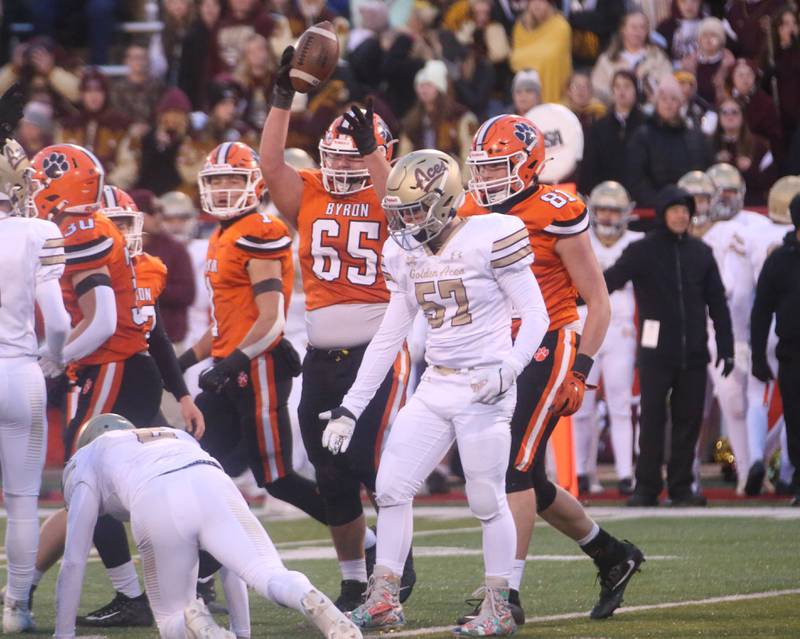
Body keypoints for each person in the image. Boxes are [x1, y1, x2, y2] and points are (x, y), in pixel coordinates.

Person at [326, 149, 549, 635]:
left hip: (484, 385)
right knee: (389, 488)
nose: (405, 221)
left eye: (414, 209)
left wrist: (509, 370)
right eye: (399, 211)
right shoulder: (403, 252)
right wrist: (350, 408)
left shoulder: (491, 235)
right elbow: (390, 335)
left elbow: (536, 314)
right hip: (435, 383)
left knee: (487, 499)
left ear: (445, 200)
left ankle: (498, 605)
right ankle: (384, 596)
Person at [458, 114, 643, 623]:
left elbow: (598, 302)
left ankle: (507, 598)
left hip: (548, 343)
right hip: (497, 348)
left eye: (499, 167)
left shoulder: (555, 209)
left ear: (530, 164)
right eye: (483, 168)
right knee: (531, 479)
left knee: (511, 467)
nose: (488, 179)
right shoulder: (471, 206)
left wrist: (580, 370)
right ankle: (612, 554)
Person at [260, 49, 413, 609]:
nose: (344, 169)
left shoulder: (388, 191)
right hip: (322, 355)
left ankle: (395, 570)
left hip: (377, 349)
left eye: (358, 160)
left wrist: (371, 153)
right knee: (329, 474)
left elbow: (400, 201)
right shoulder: (309, 191)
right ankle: (354, 577)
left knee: (369, 461)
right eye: (338, 159)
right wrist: (283, 99)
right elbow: (270, 164)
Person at [55, 414, 363, 639]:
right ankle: (307, 595)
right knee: (267, 572)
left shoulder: (89, 456)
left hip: (156, 494)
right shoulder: (173, 435)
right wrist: (242, 632)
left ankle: (195, 621)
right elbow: (231, 568)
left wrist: (63, 634)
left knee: (171, 619)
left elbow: (73, 559)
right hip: (213, 480)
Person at [29, 143, 164, 627]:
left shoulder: (80, 227)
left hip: (111, 364)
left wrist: (54, 357)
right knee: (98, 485)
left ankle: (139, 594)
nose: (32, 191)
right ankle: (146, 592)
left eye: (39, 183)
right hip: (114, 366)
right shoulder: (75, 225)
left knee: (86, 480)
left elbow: (103, 319)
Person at [604, 185, 734, 506]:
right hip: (654, 354)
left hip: (694, 353)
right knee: (651, 419)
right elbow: (609, 280)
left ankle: (680, 487)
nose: (681, 215)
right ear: (663, 213)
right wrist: (569, 293)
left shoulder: (701, 253)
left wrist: (726, 345)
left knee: (688, 420)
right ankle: (646, 488)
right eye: (675, 209)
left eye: (686, 210)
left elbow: (717, 303)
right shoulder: (642, 250)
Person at [0, 137, 70, 633]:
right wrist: (54, 358)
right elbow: (61, 322)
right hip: (19, 370)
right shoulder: (37, 230)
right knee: (23, 501)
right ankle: (16, 608)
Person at [572, 182, 642, 495]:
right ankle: (581, 471)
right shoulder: (579, 239)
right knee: (581, 404)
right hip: (585, 327)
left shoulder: (637, 242)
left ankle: (626, 473)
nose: (609, 216)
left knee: (621, 403)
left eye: (614, 210)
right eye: (602, 209)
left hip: (621, 329)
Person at [744, 177, 800, 496]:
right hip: (789, 345)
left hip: (778, 338)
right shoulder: (776, 255)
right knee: (792, 416)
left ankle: (756, 460)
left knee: (760, 401)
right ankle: (787, 474)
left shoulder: (755, 233)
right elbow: (761, 306)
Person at [625, 74, 712, 210]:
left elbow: (702, 169)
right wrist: (661, 203)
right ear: (657, 103)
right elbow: (637, 178)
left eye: (673, 99)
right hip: (655, 210)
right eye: (663, 99)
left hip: (690, 207)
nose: (668, 104)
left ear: (680, 104)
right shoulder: (642, 135)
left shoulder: (694, 136)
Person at [579, 69, 645, 194]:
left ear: (636, 90)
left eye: (627, 86)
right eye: (617, 86)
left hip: (638, 196)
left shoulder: (646, 125)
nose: (621, 91)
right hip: (605, 196)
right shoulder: (599, 127)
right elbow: (590, 167)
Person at [591, 10, 672, 103]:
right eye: (634, 27)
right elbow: (598, 90)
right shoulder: (607, 60)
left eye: (642, 27)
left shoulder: (658, 57)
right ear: (623, 29)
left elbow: (667, 87)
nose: (638, 32)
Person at [509, 0, 572, 104]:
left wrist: (528, 57)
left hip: (554, 89)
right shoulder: (521, 26)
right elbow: (515, 60)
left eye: (542, 1)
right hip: (525, 86)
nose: (536, 4)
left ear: (550, 4)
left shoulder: (561, 26)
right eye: (532, 1)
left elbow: (552, 56)